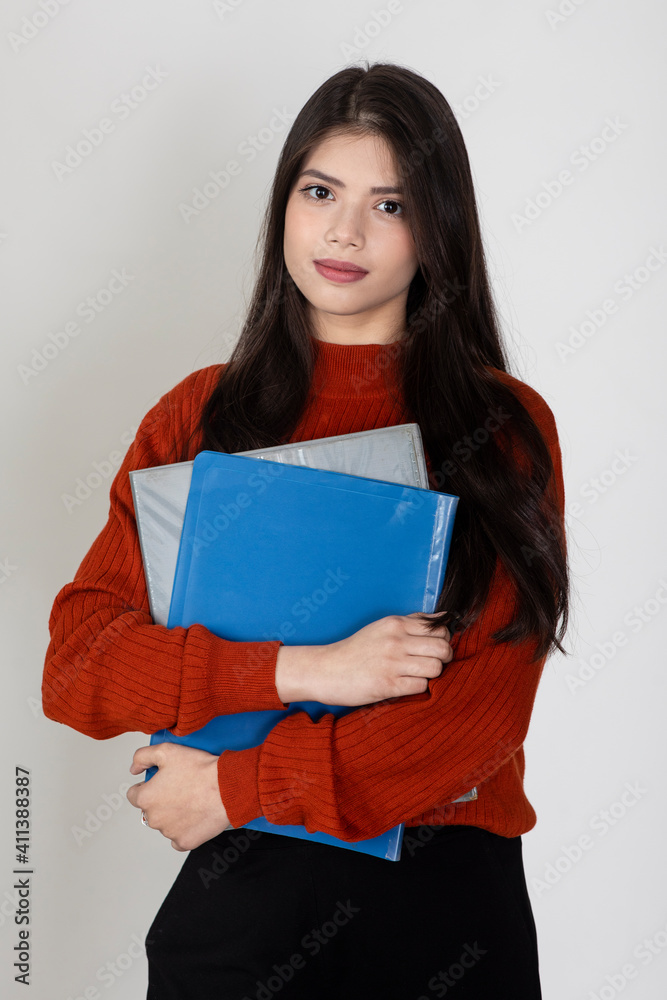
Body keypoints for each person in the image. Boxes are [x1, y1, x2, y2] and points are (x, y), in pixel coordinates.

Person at [42, 61, 569, 999]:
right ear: (284, 203)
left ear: (437, 230)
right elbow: (80, 665)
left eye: (390, 204)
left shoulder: (500, 428)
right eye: (319, 191)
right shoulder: (200, 414)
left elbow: (475, 724)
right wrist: (302, 669)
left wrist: (238, 788)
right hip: (242, 900)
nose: (343, 231)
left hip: (441, 896)